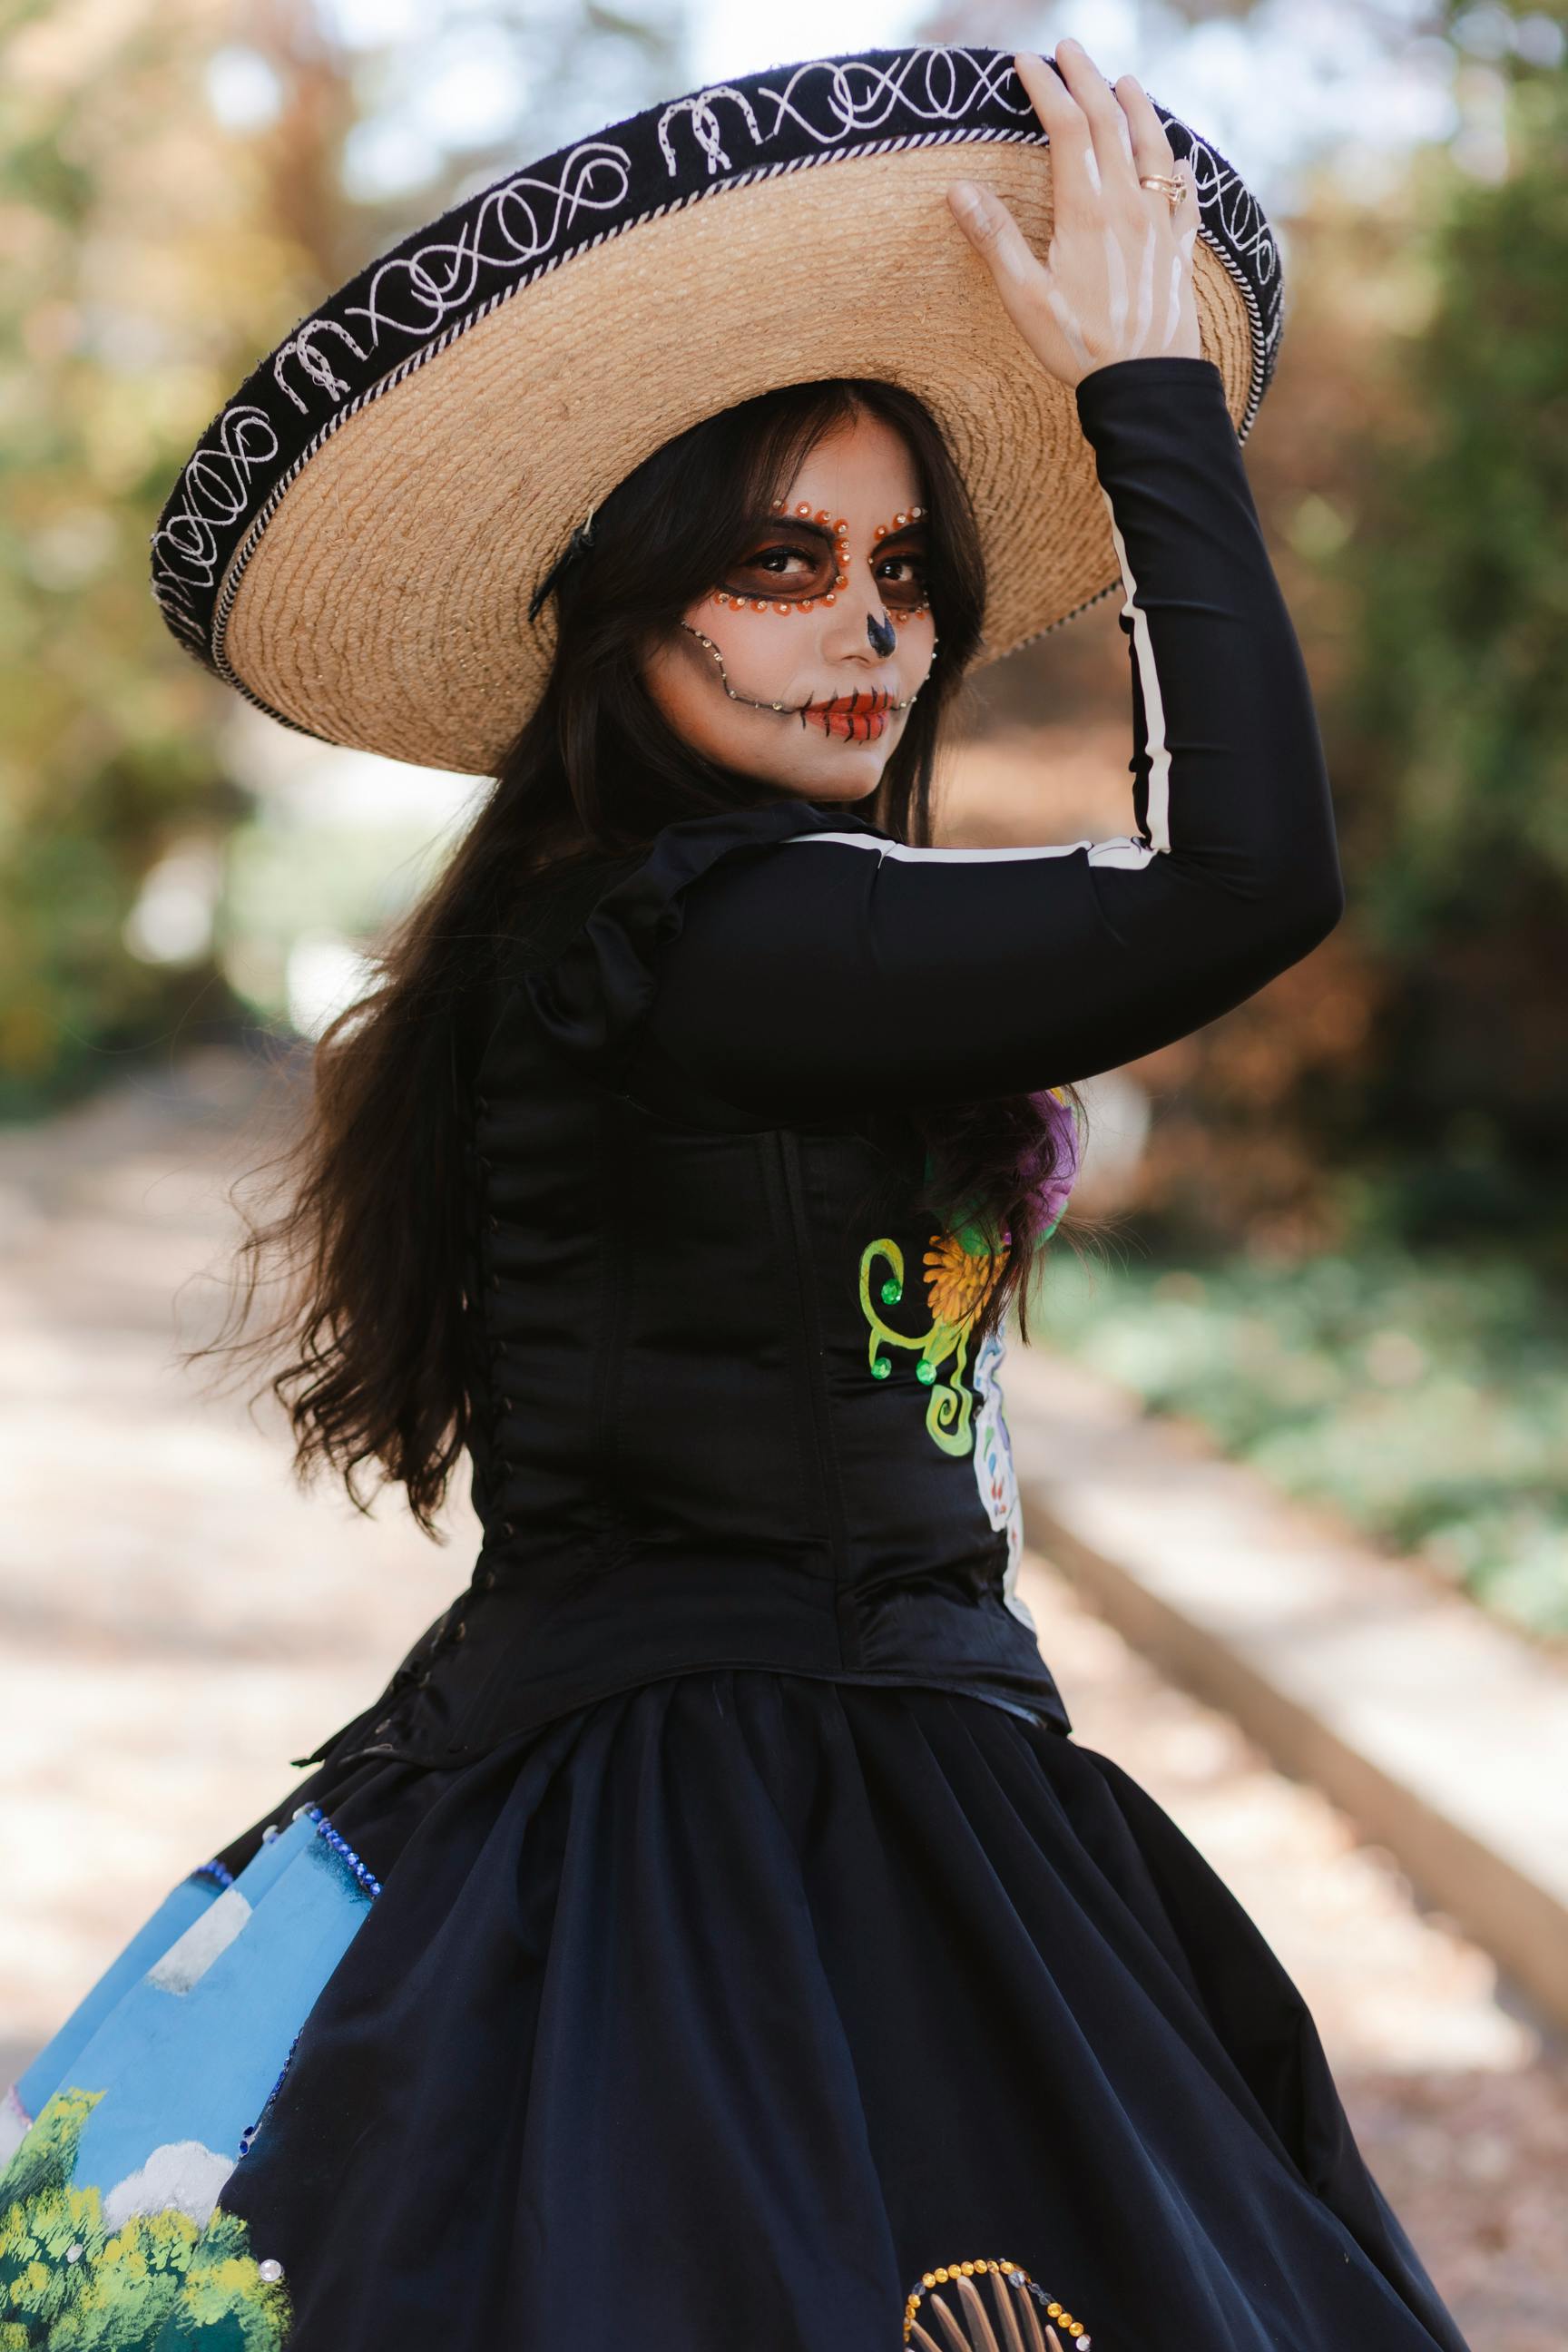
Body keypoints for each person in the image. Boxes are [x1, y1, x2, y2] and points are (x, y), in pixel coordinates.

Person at [1, 37, 1474, 2352]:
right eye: (778, 562)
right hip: (748, 1839)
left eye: (906, 568)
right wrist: (1146, 410)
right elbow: (1244, 875)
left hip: (772, 1777)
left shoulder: (650, 924)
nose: (868, 626)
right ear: (625, 603)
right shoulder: (715, 939)